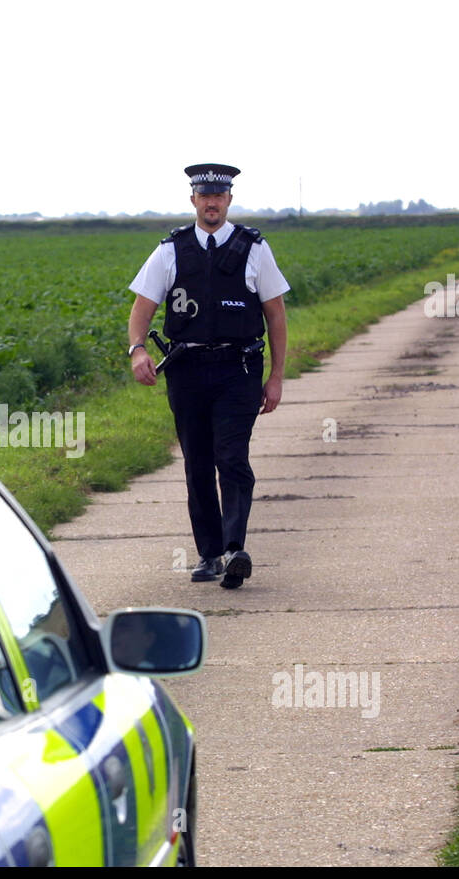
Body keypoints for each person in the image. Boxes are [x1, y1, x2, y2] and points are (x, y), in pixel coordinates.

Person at [127, 163, 289, 588]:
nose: (212, 202)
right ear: (193, 200)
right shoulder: (171, 250)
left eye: (219, 195)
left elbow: (275, 313)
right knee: (198, 463)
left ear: (229, 200)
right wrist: (137, 349)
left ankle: (235, 549)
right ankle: (209, 554)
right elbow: (142, 307)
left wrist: (276, 376)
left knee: (231, 456)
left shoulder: (254, 248)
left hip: (239, 369)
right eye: (205, 195)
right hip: (187, 371)